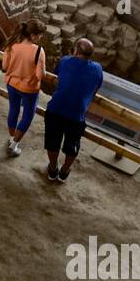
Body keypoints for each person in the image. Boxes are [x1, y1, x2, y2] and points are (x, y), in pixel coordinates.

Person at [44, 37, 104, 183]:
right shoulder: (97, 69)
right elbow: (96, 88)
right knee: (73, 144)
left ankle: (53, 168)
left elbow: (58, 76)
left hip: (56, 108)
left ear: (76, 51)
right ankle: (64, 171)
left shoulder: (65, 61)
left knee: (52, 141)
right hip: (77, 114)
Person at [1, 19, 47, 157]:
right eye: (40, 35)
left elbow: (4, 67)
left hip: (12, 84)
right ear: (33, 35)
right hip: (29, 88)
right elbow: (40, 75)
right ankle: (14, 145)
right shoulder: (39, 51)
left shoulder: (12, 45)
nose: (41, 37)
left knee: (13, 109)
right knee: (28, 114)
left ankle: (11, 138)